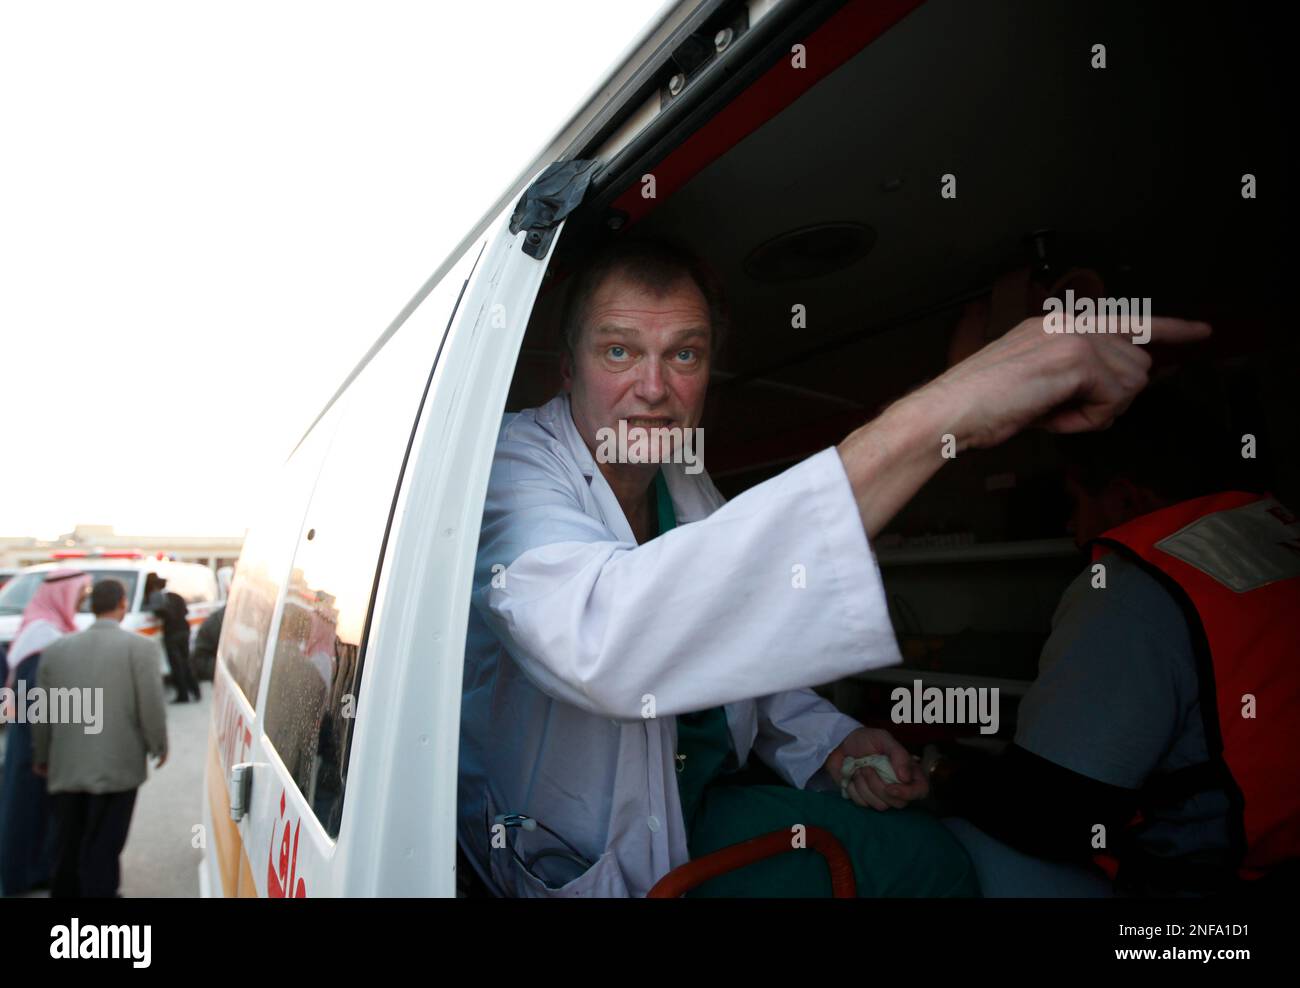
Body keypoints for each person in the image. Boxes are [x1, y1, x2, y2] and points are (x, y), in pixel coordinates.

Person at [457, 238, 1211, 898]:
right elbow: (608, 641)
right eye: (618, 350)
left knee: (925, 856)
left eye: (684, 353)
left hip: (694, 800)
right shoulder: (513, 464)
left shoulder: (682, 477)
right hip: (584, 845)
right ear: (568, 369)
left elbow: (739, 631)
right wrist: (950, 409)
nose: (653, 389)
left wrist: (832, 739)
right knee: (927, 867)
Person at [930, 385, 1300, 896]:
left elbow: (1051, 816)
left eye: (1075, 502)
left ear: (1124, 498)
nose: (1069, 524)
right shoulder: (1278, 530)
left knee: (939, 848)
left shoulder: (1136, 580)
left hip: (1209, 884)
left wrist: (943, 773)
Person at [32, 579, 168, 898]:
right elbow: (150, 704)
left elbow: (40, 711)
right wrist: (158, 745)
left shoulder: (56, 650)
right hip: (117, 767)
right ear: (122, 603)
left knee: (69, 839)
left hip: (66, 767)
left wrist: (41, 755)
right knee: (106, 841)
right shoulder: (141, 649)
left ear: (91, 607)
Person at [0, 568, 91, 895]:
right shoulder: (43, 636)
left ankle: (33, 869)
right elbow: (38, 704)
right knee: (28, 811)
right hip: (35, 746)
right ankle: (25, 874)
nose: (82, 598)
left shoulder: (46, 628)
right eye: (80, 592)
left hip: (32, 740)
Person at [145, 575, 199, 702]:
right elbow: (185, 611)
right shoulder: (176, 596)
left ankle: (183, 695)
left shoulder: (157, 598)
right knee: (186, 661)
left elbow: (160, 612)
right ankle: (196, 691)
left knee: (176, 664)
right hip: (184, 630)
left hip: (172, 633)